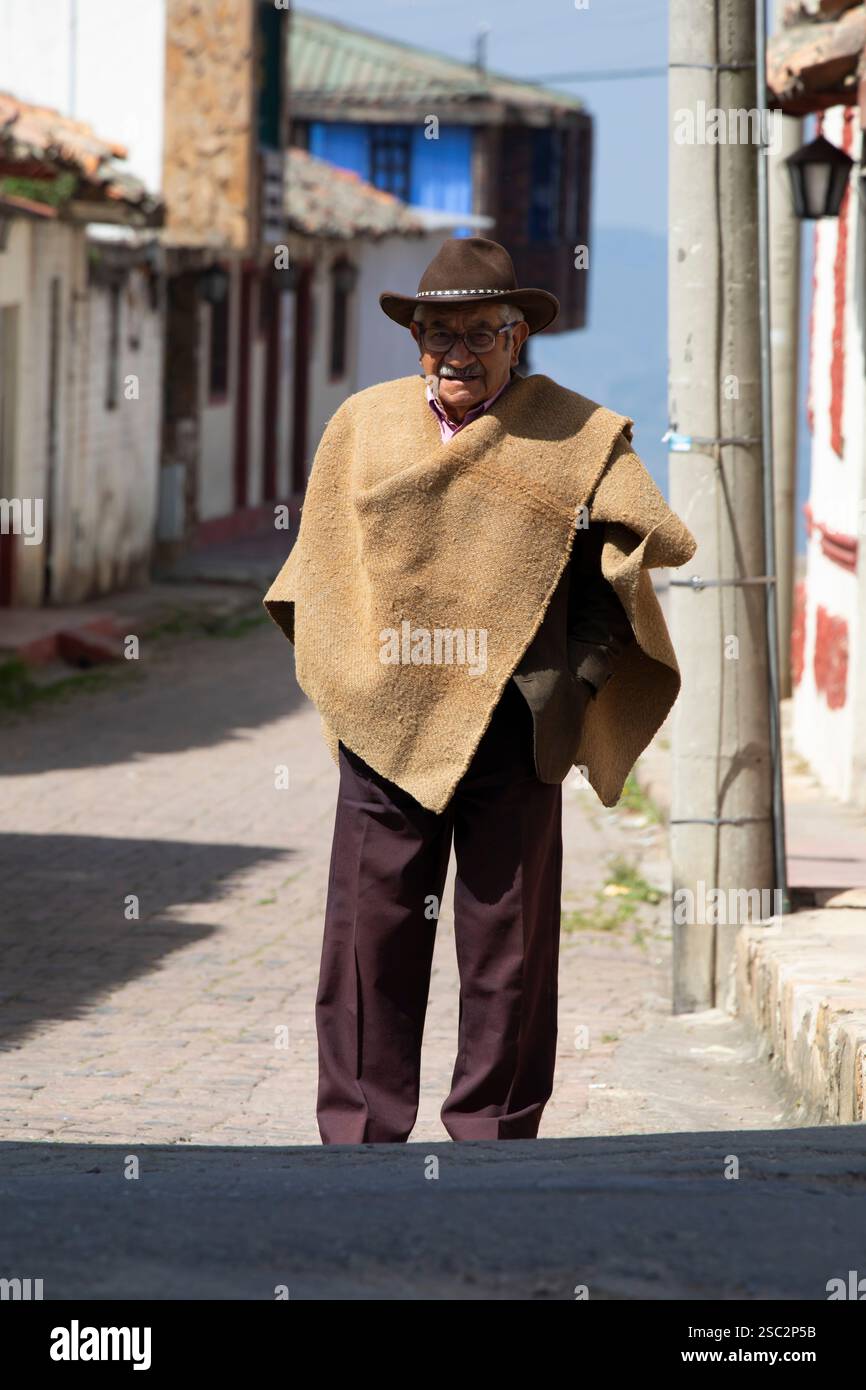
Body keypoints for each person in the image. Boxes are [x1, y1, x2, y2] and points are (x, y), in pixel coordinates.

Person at [264, 236, 696, 1144]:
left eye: (476, 332)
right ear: (415, 338)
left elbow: (612, 581)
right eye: (435, 333)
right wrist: (349, 675)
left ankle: (494, 1137)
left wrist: (569, 687)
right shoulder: (364, 427)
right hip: (384, 722)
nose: (455, 352)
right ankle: (359, 1135)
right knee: (368, 938)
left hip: (517, 727)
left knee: (507, 946)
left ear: (516, 338)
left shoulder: (575, 436)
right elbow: (322, 570)